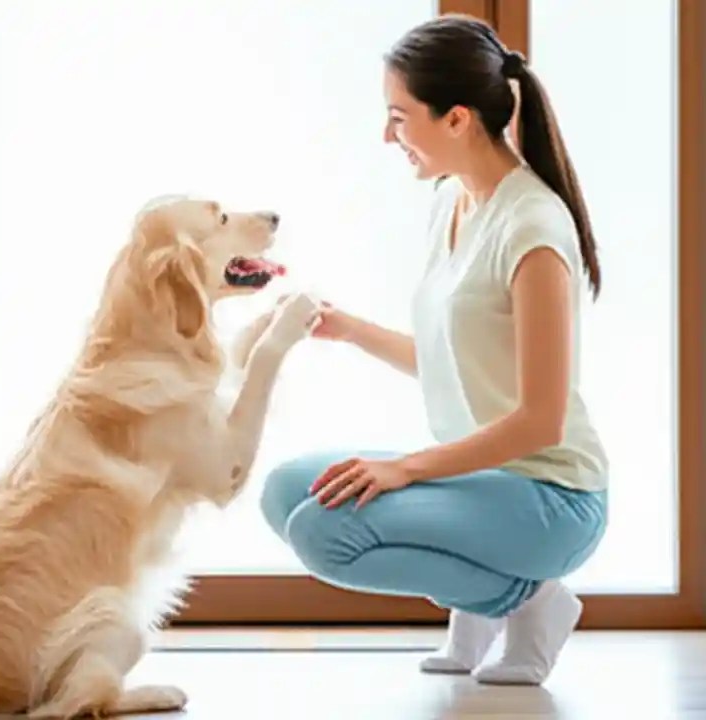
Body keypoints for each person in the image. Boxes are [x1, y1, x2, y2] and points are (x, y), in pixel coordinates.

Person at [258, 15, 608, 686]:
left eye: (398, 117)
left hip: (551, 495)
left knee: (324, 534)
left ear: (457, 119)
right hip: (481, 478)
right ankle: (485, 606)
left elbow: (541, 421)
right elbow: (457, 361)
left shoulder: (532, 228)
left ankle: (531, 600)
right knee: (285, 491)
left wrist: (409, 469)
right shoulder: (454, 200)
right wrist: (351, 329)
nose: (387, 136)